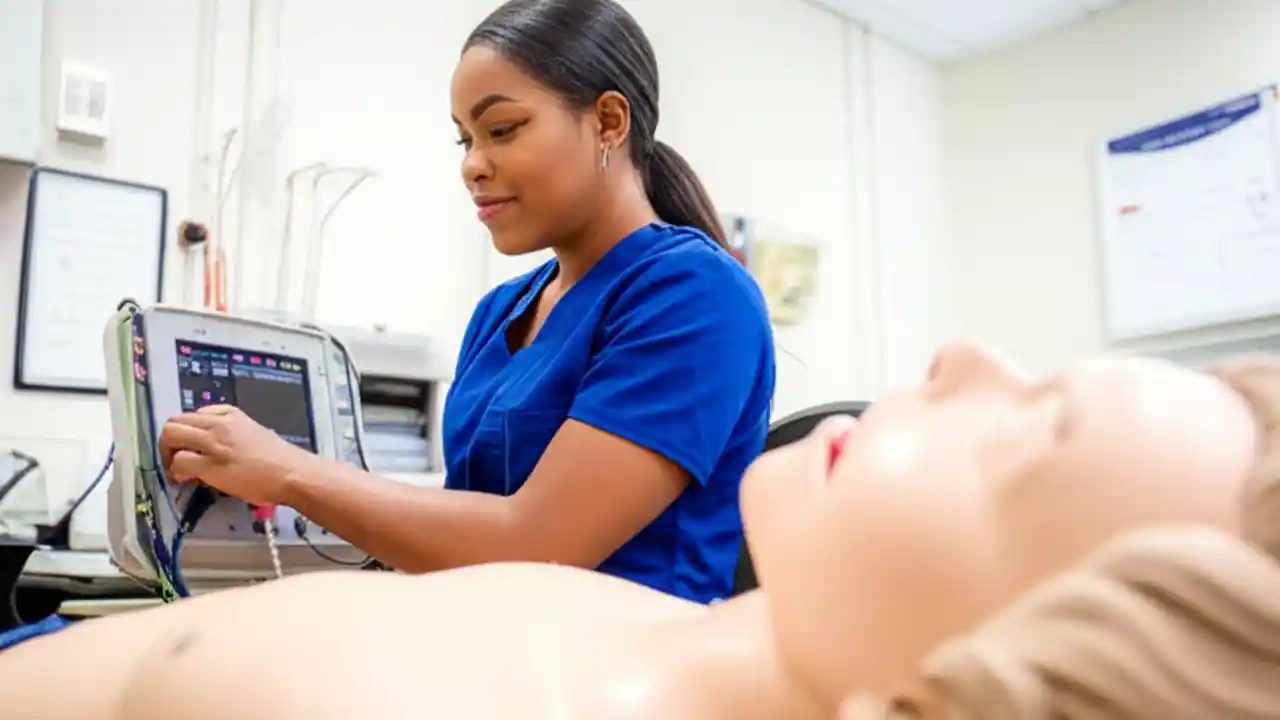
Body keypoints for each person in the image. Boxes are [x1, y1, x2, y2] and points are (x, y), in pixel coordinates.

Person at [2, 340, 1278, 719]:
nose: (957, 360)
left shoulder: (689, 301)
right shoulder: (669, 636)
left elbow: (532, 525)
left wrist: (291, 471)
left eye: (1019, 437)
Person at [156, 0, 776, 604]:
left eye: (502, 130)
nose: (473, 166)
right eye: (465, 141)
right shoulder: (502, 312)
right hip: (484, 652)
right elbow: (462, 538)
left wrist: (288, 472)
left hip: (619, 676)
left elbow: (537, 543)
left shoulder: (694, 295)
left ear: (609, 122)